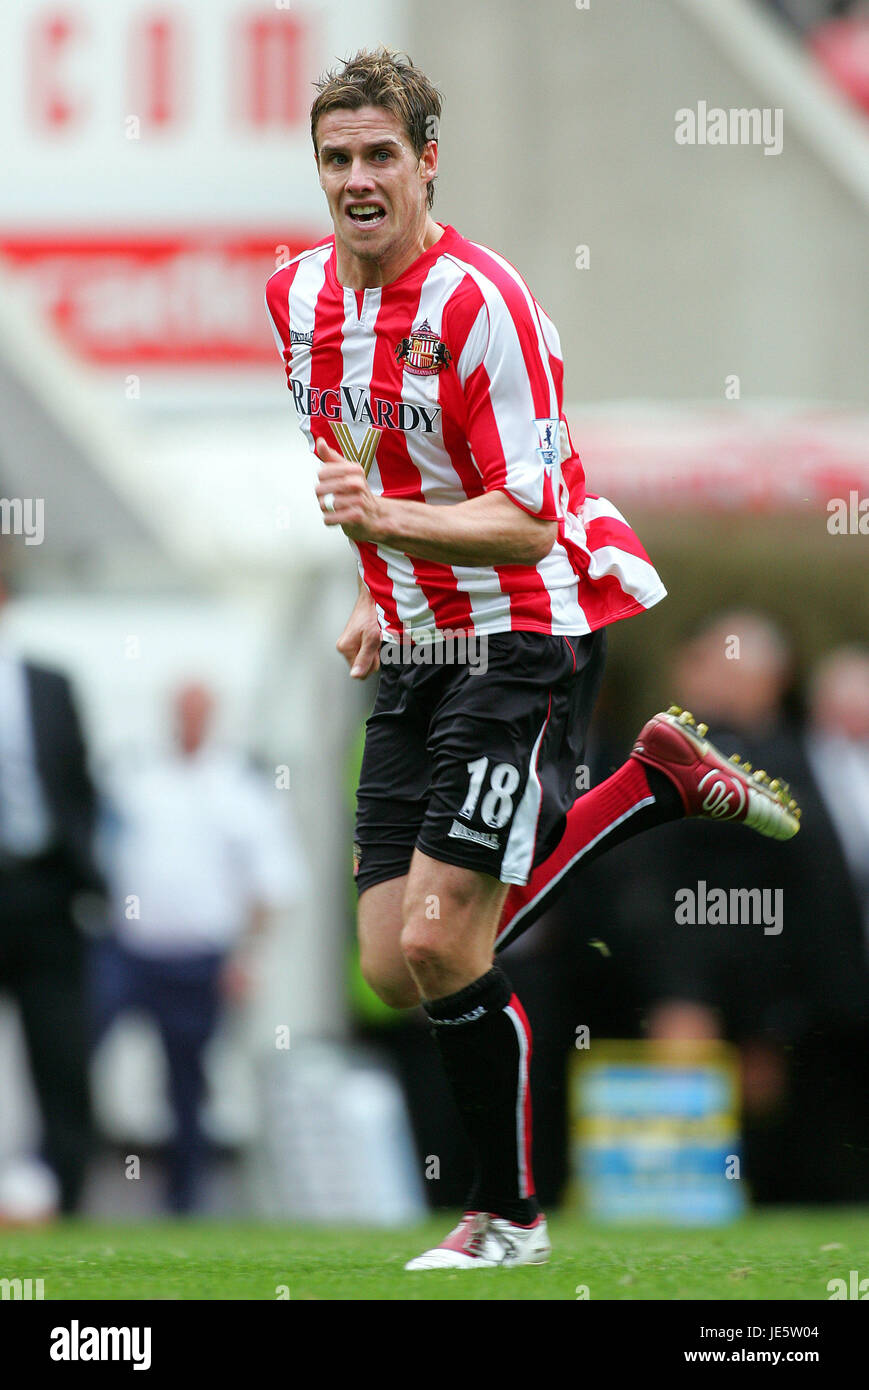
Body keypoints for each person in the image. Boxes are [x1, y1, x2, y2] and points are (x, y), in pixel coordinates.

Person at [265, 47, 800, 1270]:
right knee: (391, 967)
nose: (357, 177)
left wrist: (385, 533)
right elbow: (371, 473)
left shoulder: (483, 305)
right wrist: (373, 587)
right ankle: (649, 786)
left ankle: (506, 1215)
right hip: (417, 635)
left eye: (379, 155)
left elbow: (525, 516)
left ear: (425, 161)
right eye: (336, 156)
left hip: (524, 626)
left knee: (441, 942)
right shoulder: (294, 300)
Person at [93, 681, 303, 1212]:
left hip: (199, 957)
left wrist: (246, 957)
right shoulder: (139, 777)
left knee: (187, 1083)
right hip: (129, 950)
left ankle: (184, 1203)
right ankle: (60, 1179)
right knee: (80, 1047)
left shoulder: (240, 786)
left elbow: (271, 882)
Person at [0, 577, 103, 1216]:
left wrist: (85, 872)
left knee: (61, 1049)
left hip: (43, 887)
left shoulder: (47, 684)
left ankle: (66, 1193)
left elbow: (79, 785)